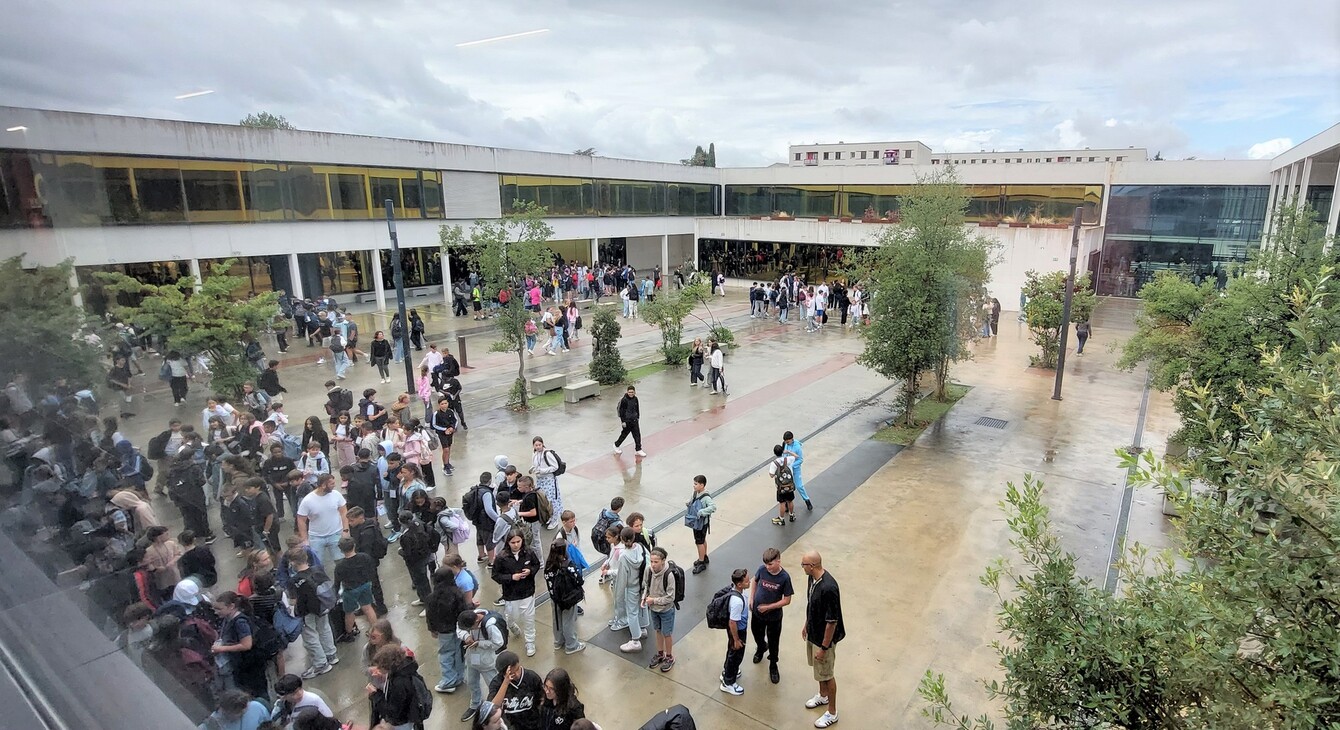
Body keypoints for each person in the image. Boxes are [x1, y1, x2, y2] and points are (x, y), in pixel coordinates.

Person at [801, 551, 845, 728]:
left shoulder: (829, 588)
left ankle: (832, 712)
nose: (802, 567)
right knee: (819, 670)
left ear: (812, 566)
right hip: (813, 633)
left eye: (803, 564)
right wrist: (807, 624)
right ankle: (822, 695)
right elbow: (812, 604)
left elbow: (831, 622)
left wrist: (824, 647)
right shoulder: (812, 579)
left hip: (824, 640)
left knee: (827, 674)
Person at [286, 548, 338, 679]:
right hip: (322, 606)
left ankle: (321, 664)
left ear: (292, 563)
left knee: (310, 636)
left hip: (306, 611)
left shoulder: (295, 580)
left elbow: (294, 600)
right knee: (325, 629)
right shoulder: (318, 570)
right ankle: (331, 654)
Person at [492, 529, 539, 658]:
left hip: (528, 592)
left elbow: (536, 565)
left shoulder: (528, 553)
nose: (516, 544)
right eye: (513, 542)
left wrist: (530, 571)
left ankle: (530, 642)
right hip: (511, 594)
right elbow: (495, 575)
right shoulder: (502, 557)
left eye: (518, 541)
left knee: (529, 619)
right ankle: (511, 624)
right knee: (512, 616)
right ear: (508, 542)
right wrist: (511, 577)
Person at [751, 547, 793, 685]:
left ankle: (773, 665)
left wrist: (768, 607)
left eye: (770, 564)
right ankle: (761, 647)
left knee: (774, 642)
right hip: (757, 613)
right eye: (765, 564)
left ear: (778, 562)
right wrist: (751, 599)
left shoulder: (784, 578)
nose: (767, 567)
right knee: (757, 634)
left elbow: (787, 600)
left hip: (774, 617)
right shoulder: (762, 570)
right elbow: (755, 581)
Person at [457, 609, 507, 724]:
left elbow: (498, 643)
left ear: (476, 621)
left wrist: (480, 644)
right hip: (472, 659)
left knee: (494, 687)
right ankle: (475, 704)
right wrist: (466, 637)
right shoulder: (467, 618)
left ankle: (497, 709)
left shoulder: (490, 625)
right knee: (471, 681)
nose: (469, 631)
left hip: (487, 663)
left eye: (470, 629)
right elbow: (458, 628)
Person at [426, 566, 470, 693]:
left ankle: (448, 681)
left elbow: (430, 616)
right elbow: (463, 611)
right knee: (458, 652)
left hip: (443, 631)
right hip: (458, 629)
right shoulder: (458, 593)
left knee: (445, 654)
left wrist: (432, 629)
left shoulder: (432, 597)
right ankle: (459, 677)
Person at [369, 643, 429, 730]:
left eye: (380, 666)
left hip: (402, 724)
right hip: (409, 719)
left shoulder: (399, 683)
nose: (377, 668)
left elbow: (393, 711)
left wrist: (375, 694)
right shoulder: (405, 672)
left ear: (387, 665)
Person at [296, 473, 348, 570]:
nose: (334, 485)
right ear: (323, 485)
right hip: (316, 537)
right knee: (316, 565)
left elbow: (344, 512)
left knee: (341, 562)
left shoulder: (336, 495)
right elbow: (301, 519)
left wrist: (345, 530)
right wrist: (304, 539)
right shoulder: (308, 500)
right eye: (331, 484)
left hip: (336, 534)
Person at [543, 539, 586, 655]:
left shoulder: (549, 564)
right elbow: (579, 580)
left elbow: (547, 578)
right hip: (568, 598)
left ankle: (558, 642)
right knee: (568, 621)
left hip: (554, 598)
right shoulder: (568, 565)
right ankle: (571, 645)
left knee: (556, 619)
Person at [333, 537, 379, 643]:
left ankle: (349, 634)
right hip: (365, 585)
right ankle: (375, 629)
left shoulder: (340, 566)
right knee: (368, 608)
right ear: (354, 545)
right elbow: (372, 569)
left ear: (340, 550)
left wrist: (335, 595)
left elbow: (337, 583)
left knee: (349, 612)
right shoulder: (364, 557)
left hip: (350, 590)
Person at [346, 506, 389, 616]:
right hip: (363, 561)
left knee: (374, 584)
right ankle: (366, 605)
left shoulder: (367, 532)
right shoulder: (358, 528)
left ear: (360, 518)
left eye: (352, 520)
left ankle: (380, 606)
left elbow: (366, 551)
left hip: (368, 562)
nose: (350, 523)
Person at [641, 546, 677, 671]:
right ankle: (660, 653)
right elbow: (646, 585)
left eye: (656, 562)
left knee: (667, 633)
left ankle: (669, 656)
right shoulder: (648, 570)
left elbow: (670, 598)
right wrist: (644, 598)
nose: (653, 564)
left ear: (663, 561)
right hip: (653, 609)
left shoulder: (669, 575)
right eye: (651, 561)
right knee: (657, 630)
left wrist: (654, 600)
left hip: (666, 610)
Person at [488, 650, 544, 730]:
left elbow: (542, 698)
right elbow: (493, 707)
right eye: (512, 673)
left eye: (518, 669)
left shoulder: (531, 677)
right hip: (510, 725)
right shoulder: (496, 683)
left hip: (532, 724)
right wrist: (506, 682)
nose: (517, 674)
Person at [614, 526, 647, 652]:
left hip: (632, 587)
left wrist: (618, 595)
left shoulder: (624, 557)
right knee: (642, 606)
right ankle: (643, 628)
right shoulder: (640, 548)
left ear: (622, 539)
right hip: (642, 584)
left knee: (632, 613)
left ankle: (635, 640)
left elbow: (622, 578)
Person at [719, 568, 751, 696]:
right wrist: (737, 639)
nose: (749, 582)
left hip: (735, 631)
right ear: (739, 584)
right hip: (738, 631)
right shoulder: (737, 601)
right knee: (736, 655)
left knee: (731, 653)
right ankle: (728, 682)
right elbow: (733, 622)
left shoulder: (735, 591)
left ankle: (727, 672)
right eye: (747, 581)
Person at [397, 510, 436, 606]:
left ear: (400, 521)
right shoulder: (419, 524)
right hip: (424, 555)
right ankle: (422, 599)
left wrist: (401, 552)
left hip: (415, 562)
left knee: (421, 582)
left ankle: (428, 605)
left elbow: (409, 553)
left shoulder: (406, 536)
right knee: (421, 581)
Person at [685, 475, 717, 574]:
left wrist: (702, 511)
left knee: (699, 542)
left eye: (696, 484)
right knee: (702, 540)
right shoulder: (696, 493)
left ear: (702, 485)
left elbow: (713, 507)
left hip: (701, 523)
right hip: (697, 522)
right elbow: (692, 501)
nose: (694, 486)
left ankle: (701, 562)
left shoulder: (706, 497)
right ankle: (704, 556)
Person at [529, 436, 562, 530]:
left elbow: (555, 466)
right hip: (540, 480)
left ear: (543, 444)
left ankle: (554, 519)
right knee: (543, 500)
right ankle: (549, 517)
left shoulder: (547, 454)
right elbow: (535, 465)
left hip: (549, 480)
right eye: (536, 445)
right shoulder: (535, 454)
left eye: (540, 444)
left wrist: (542, 470)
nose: (538, 447)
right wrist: (533, 469)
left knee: (552, 500)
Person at [198, 689, 270, 730]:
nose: (242, 713)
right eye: (237, 712)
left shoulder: (257, 707)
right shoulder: (211, 725)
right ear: (225, 710)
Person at [783, 431, 813, 511]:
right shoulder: (786, 444)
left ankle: (807, 500)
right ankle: (786, 504)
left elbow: (800, 460)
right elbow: (785, 455)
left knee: (799, 486)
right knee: (787, 487)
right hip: (788, 470)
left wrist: (791, 465)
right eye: (786, 442)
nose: (787, 444)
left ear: (792, 439)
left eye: (788, 442)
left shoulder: (797, 447)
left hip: (795, 469)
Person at [769, 444, 798, 526]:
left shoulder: (774, 463)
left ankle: (781, 519)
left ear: (774, 453)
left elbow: (771, 475)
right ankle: (791, 515)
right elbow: (797, 456)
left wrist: (776, 475)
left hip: (781, 487)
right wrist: (788, 451)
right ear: (782, 451)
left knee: (782, 502)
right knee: (790, 500)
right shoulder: (788, 459)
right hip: (789, 485)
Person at [613, 386, 646, 457]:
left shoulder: (636, 399)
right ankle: (616, 445)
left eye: (632, 392)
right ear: (627, 392)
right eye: (629, 392)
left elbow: (637, 409)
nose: (631, 393)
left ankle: (638, 449)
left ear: (635, 392)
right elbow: (621, 411)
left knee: (637, 435)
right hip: (627, 421)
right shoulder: (624, 400)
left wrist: (637, 417)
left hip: (634, 420)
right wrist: (623, 421)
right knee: (624, 435)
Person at [430, 397, 457, 476]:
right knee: (446, 449)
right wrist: (444, 429)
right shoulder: (436, 414)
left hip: (450, 433)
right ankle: (445, 467)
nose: (444, 405)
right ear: (439, 405)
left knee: (449, 447)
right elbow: (434, 425)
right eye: (442, 404)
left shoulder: (450, 411)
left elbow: (455, 420)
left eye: (446, 403)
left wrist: (452, 428)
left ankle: (447, 462)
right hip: (442, 434)